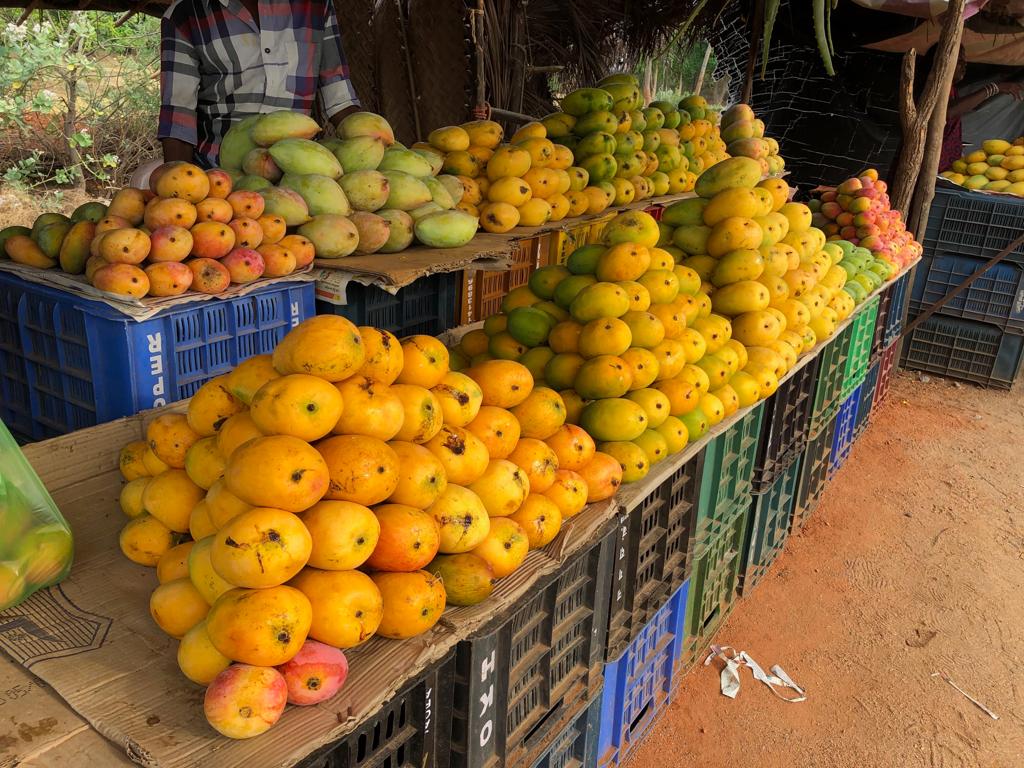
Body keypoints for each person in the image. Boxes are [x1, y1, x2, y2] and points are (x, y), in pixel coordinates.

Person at [157, 0, 362, 169]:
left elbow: (340, 98)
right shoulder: (184, 15)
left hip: (298, 171)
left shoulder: (316, 6)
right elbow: (178, 118)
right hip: (219, 179)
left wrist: (373, 147)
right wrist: (179, 188)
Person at [935, 45, 1023, 171]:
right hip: (925, 165)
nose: (964, 66)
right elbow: (948, 112)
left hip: (942, 165)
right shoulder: (935, 89)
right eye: (959, 61)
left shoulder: (952, 89)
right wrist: (995, 87)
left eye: (965, 62)